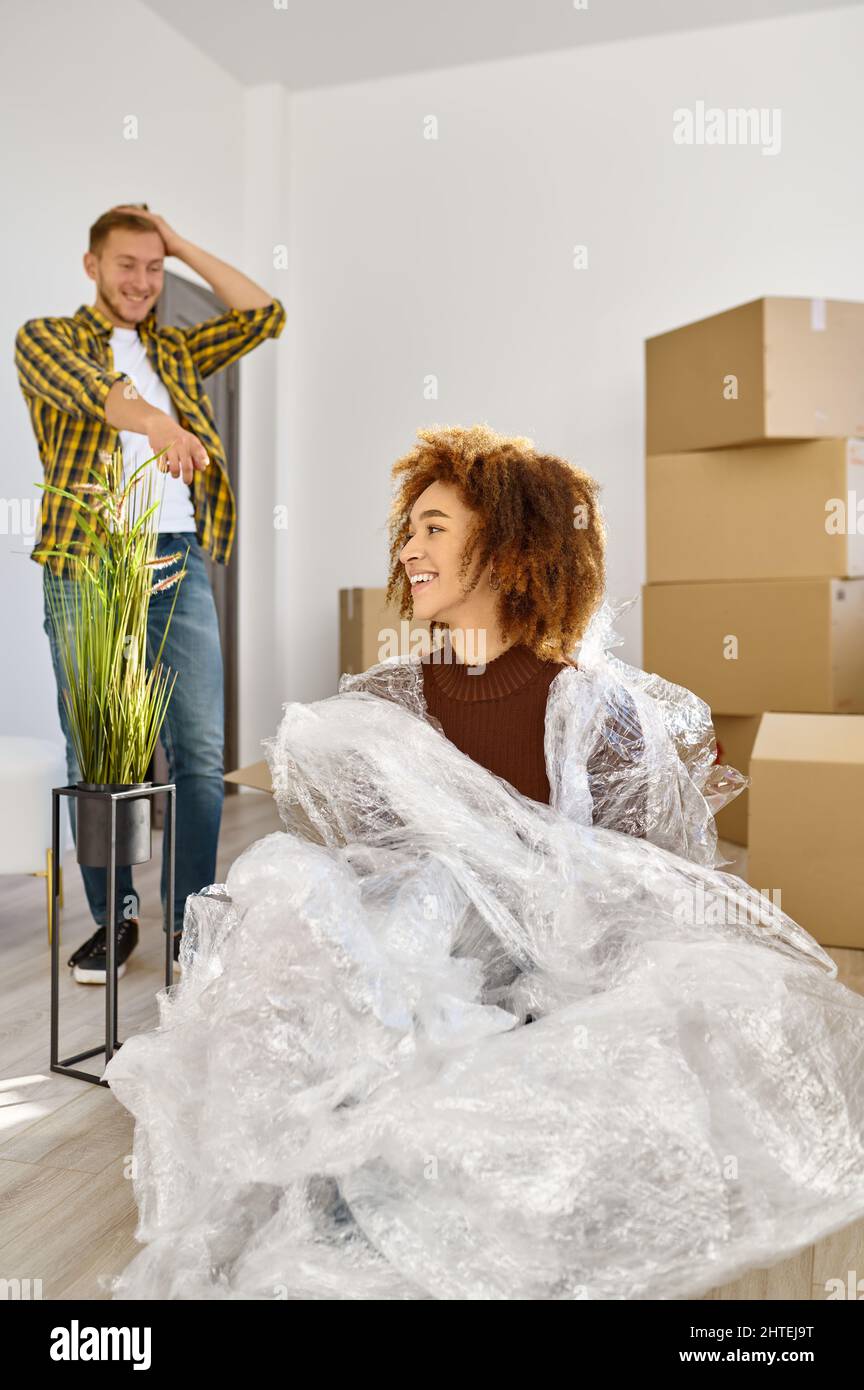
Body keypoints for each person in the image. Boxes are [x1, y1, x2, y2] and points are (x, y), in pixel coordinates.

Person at [102, 425, 864, 1301]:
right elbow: (365, 877)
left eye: (434, 527)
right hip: (422, 981)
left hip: (551, 981)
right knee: (284, 883)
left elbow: (638, 895)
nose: (408, 548)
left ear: (508, 546)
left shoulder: (596, 713)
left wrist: (541, 968)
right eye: (409, 530)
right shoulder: (381, 706)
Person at [15, 204, 286, 983]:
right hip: (90, 563)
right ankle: (117, 918)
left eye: (152, 267)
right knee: (102, 751)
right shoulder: (45, 338)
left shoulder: (175, 347)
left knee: (200, 753)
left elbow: (266, 314)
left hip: (179, 558)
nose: (140, 281)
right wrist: (160, 428)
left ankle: (192, 920)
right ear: (91, 265)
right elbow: (100, 395)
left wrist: (181, 243)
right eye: (125, 264)